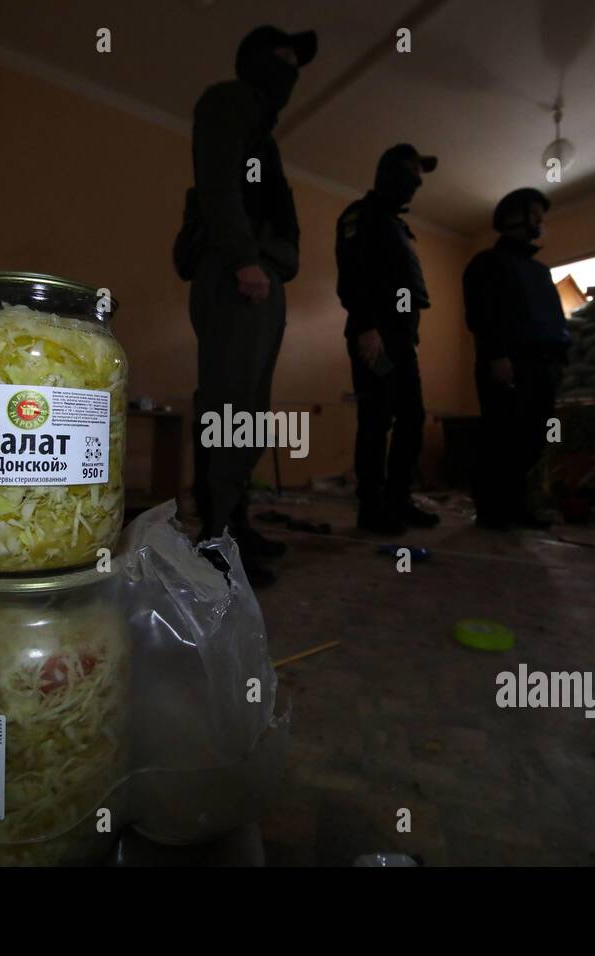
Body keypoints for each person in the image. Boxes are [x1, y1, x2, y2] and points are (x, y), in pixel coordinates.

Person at [174, 25, 317, 587]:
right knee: (229, 402)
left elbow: (281, 215)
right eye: (281, 57)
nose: (291, 70)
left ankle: (233, 521)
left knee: (248, 411)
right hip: (239, 270)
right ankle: (213, 539)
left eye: (295, 62)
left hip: (259, 270)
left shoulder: (266, 135)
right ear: (252, 60)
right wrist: (243, 257)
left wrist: (272, 262)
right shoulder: (228, 100)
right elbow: (216, 183)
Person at [335, 144, 441, 534]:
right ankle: (372, 508)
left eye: (419, 178)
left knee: (412, 416)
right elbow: (352, 275)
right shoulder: (360, 216)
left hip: (399, 340)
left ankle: (399, 499)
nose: (416, 184)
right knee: (377, 417)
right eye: (410, 175)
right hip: (374, 336)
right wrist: (366, 327)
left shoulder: (397, 226)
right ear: (389, 174)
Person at [462, 188, 571, 530]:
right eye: (535, 216)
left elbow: (553, 319)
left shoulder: (540, 271)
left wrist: (560, 362)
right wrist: (496, 356)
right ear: (513, 218)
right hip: (507, 363)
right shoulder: (487, 263)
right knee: (501, 438)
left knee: (532, 440)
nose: (540, 223)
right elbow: (482, 315)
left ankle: (518, 508)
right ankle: (492, 512)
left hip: (543, 367)